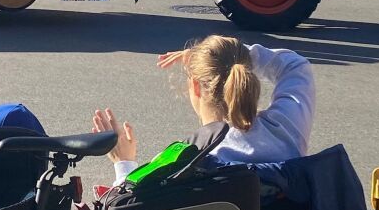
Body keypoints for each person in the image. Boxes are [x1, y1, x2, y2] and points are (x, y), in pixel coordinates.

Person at [97, 37, 315, 180]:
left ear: (195, 86)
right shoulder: (286, 129)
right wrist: (238, 55)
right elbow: (294, 64)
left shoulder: (185, 161)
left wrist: (124, 163)